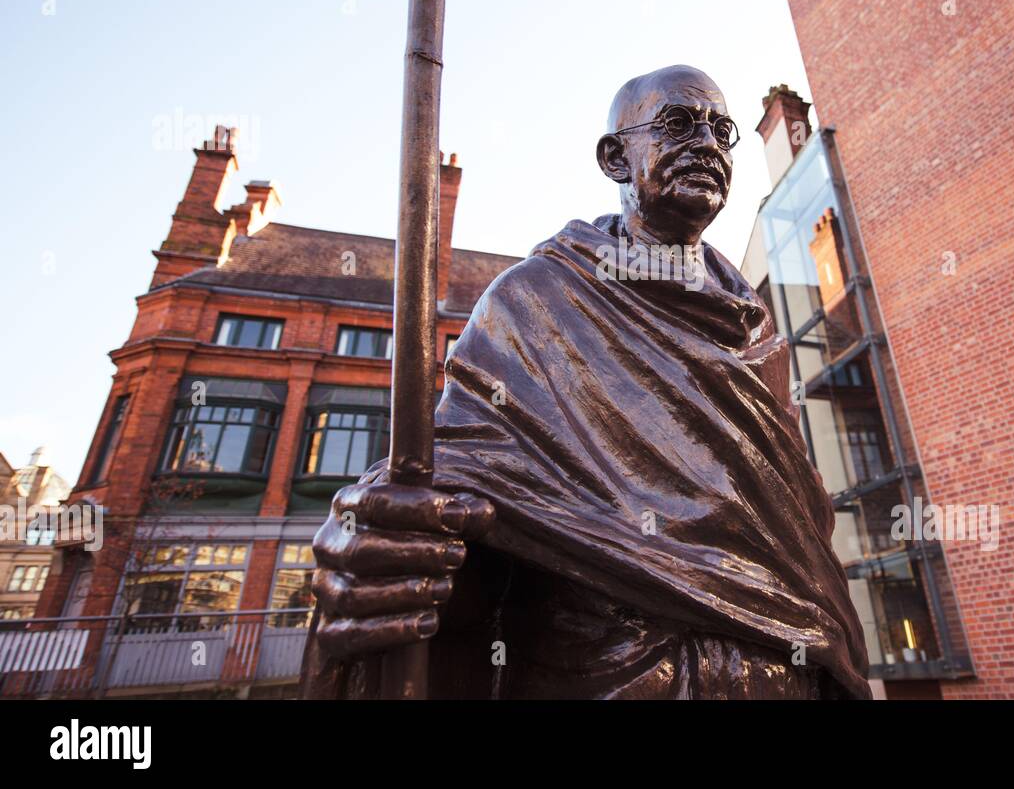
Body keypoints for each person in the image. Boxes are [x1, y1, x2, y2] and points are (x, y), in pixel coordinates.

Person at [301, 65, 872, 698]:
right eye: (678, 124)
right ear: (615, 158)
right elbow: (454, 486)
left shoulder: (757, 340)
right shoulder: (534, 305)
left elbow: (803, 547)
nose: (707, 144)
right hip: (607, 680)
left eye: (722, 130)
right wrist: (382, 540)